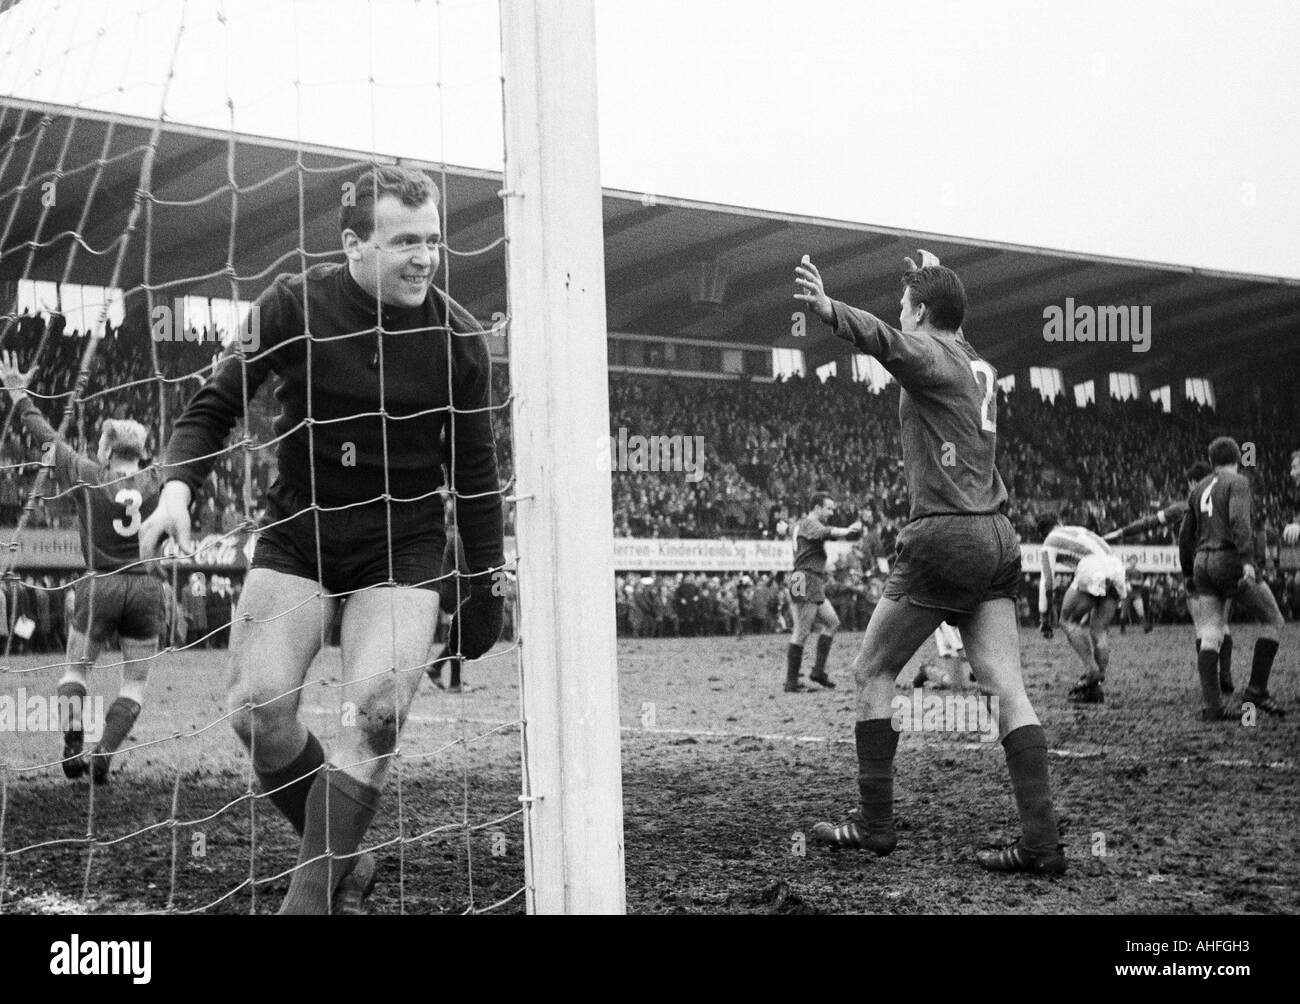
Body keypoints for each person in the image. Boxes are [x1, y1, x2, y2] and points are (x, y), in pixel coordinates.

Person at [139, 165, 505, 914]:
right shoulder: (292, 306)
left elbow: (474, 472)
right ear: (352, 246)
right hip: (300, 529)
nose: (425, 258)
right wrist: (176, 488)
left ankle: (305, 902)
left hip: (401, 543)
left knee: (377, 713)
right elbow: (217, 400)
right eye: (405, 241)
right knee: (258, 709)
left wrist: (483, 586)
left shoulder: (460, 341)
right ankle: (345, 859)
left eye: (434, 241)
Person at [795, 250, 1064, 874]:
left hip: (944, 536)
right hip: (998, 534)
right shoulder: (976, 363)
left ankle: (874, 826)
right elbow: (935, 328)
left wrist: (832, 311)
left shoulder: (929, 352)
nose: (900, 313)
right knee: (1006, 684)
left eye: (905, 304)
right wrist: (937, 277)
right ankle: (1041, 844)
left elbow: (890, 344)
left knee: (870, 670)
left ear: (920, 312)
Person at [0, 350, 164, 784]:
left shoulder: (89, 473)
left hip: (100, 585)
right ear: (142, 451)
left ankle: (73, 746)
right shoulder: (157, 479)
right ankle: (103, 754)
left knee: (76, 670)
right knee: (134, 684)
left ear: (106, 449)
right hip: (146, 589)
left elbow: (46, 437)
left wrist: (20, 395)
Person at [1180, 437, 1286, 720]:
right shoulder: (1238, 482)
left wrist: (1188, 572)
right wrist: (1248, 561)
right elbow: (1240, 522)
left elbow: (1184, 535)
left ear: (1211, 461)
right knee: (1273, 620)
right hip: (1228, 558)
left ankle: (1213, 707)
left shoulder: (1199, 488)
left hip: (1202, 561)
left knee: (1211, 633)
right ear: (1237, 459)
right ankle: (1256, 690)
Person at [1036, 512, 1128, 704]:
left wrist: (1044, 617)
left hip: (1092, 566)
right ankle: (1095, 688)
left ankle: (1092, 671)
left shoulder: (1049, 542)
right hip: (1116, 566)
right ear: (1060, 522)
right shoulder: (1078, 529)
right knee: (1099, 629)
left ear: (1042, 534)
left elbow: (1048, 581)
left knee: (1067, 620)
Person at [780, 493, 862, 691]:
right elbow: (827, 532)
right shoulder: (810, 523)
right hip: (804, 578)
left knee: (832, 623)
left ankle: (818, 671)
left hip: (810, 579)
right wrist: (849, 529)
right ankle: (791, 682)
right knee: (801, 631)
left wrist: (785, 529)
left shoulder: (800, 524)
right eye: (829, 508)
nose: (832, 512)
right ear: (817, 507)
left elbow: (792, 530)